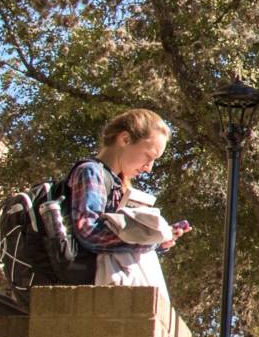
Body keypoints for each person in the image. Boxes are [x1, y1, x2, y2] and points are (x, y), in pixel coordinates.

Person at [71, 109, 184, 288]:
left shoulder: (117, 183)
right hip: (89, 289)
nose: (149, 168)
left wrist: (159, 240)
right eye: (149, 156)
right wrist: (149, 239)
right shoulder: (92, 172)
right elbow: (89, 232)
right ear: (125, 139)